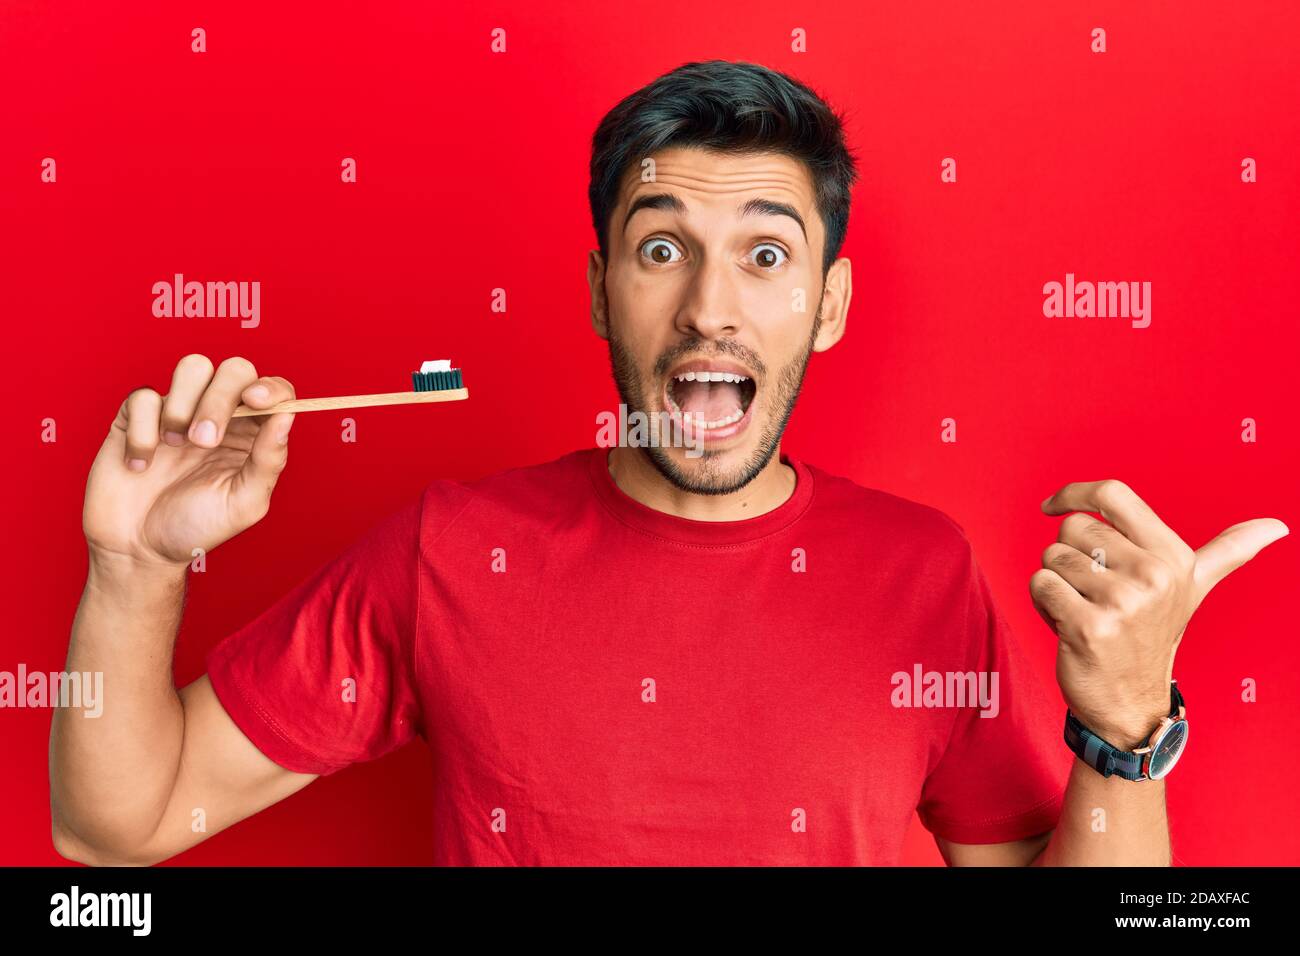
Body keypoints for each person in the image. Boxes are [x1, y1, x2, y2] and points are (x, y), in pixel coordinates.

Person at [51, 59, 1286, 866]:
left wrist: (1126, 723)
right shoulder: (450, 548)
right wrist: (129, 568)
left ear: (829, 303)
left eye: (764, 255)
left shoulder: (923, 572)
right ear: (600, 292)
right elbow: (114, 828)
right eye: (659, 250)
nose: (710, 309)